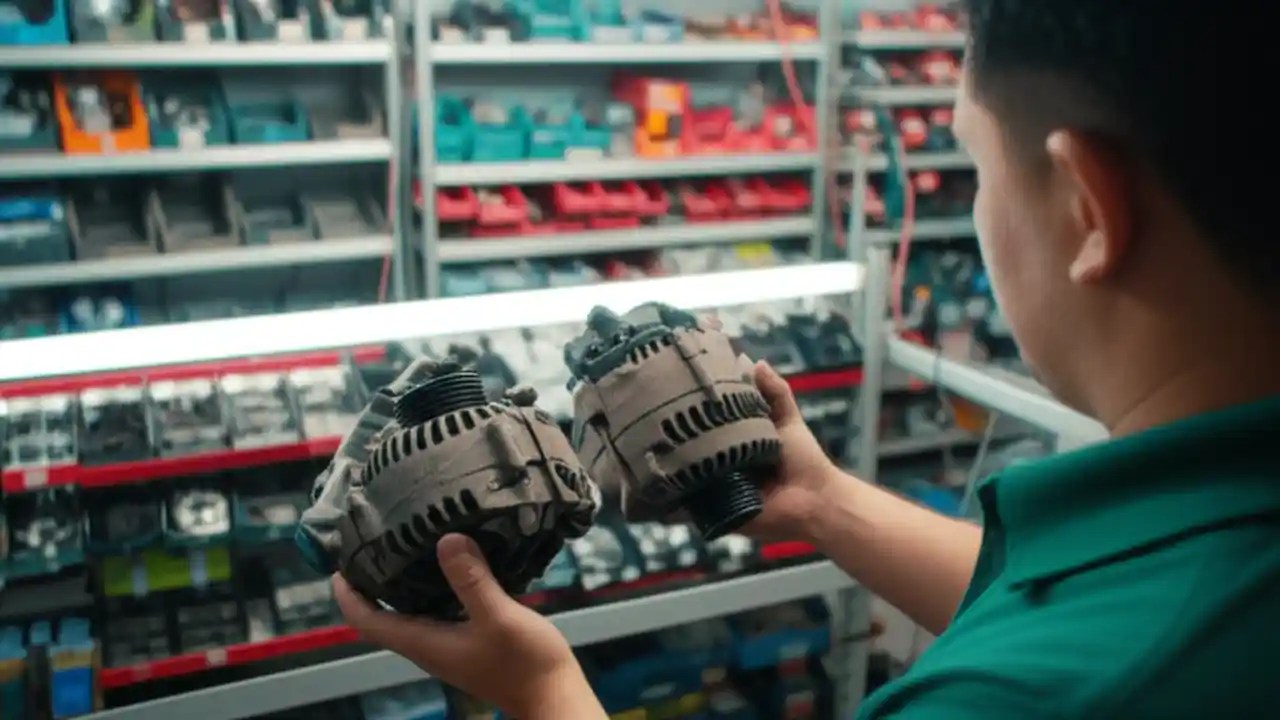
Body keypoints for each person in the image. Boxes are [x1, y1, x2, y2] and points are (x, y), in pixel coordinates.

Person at [333, 1, 1280, 717]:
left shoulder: (1012, 699)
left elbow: (1078, 645)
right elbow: (1084, 598)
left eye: (975, 166)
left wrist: (540, 688)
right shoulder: (1205, 551)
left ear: (1084, 209)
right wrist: (824, 504)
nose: (982, 207)